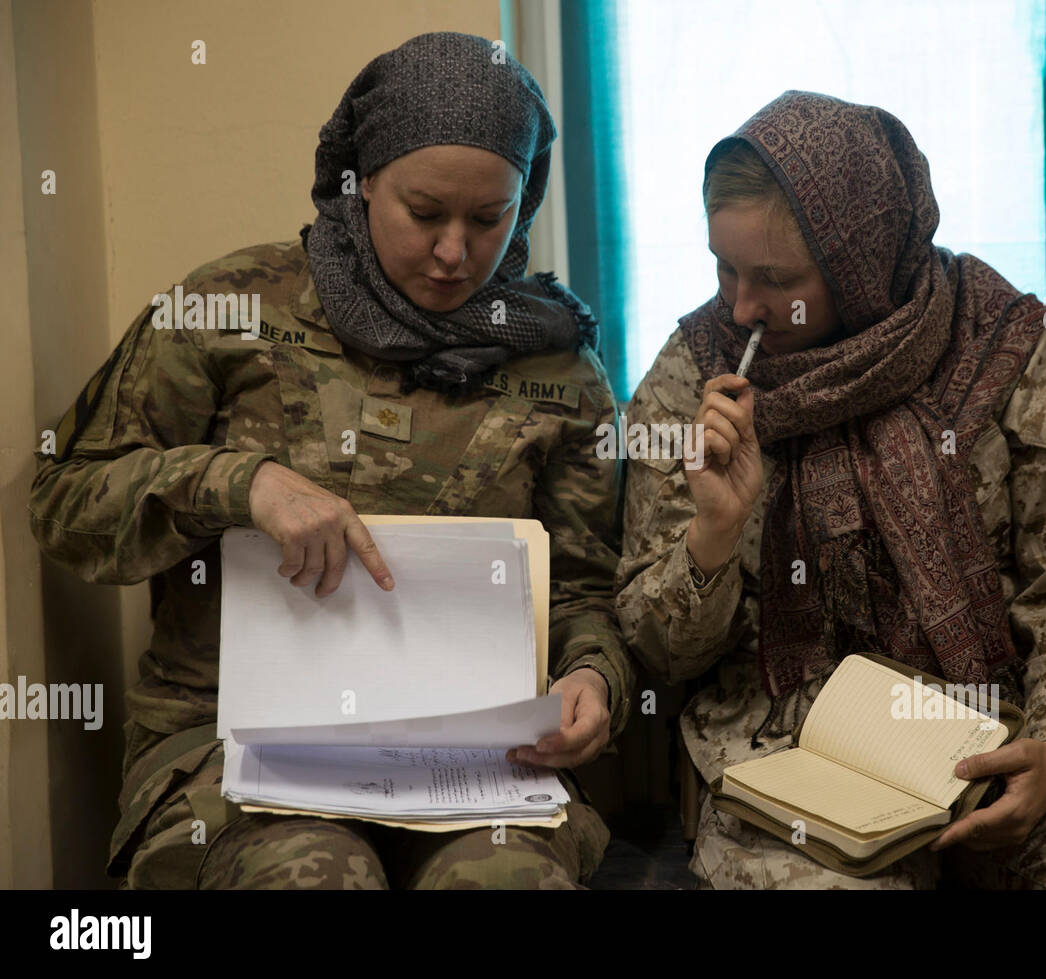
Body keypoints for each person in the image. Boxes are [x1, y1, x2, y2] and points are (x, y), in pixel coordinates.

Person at [29, 32, 632, 889]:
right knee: (317, 878)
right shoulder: (229, 309)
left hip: (472, 757)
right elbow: (62, 502)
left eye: (489, 218)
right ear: (359, 184)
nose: (455, 253)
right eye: (424, 214)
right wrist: (239, 484)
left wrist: (589, 677)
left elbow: (580, 588)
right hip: (235, 746)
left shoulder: (557, 368)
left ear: (524, 202)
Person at [614, 91, 1046, 889]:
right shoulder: (694, 379)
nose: (740, 305)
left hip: (1013, 735)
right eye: (723, 268)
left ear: (859, 260)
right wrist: (713, 536)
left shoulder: (1003, 347)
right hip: (792, 766)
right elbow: (660, 649)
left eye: (774, 279)